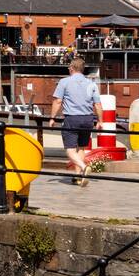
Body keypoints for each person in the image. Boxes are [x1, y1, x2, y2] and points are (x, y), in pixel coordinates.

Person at [51, 58, 101, 187]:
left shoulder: (64, 82)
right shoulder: (91, 84)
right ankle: (78, 176)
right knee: (81, 147)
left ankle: (84, 167)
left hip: (72, 118)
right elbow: (97, 104)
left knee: (70, 150)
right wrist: (100, 120)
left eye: (69, 67)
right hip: (88, 119)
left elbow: (57, 101)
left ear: (72, 68)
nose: (68, 69)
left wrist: (52, 118)